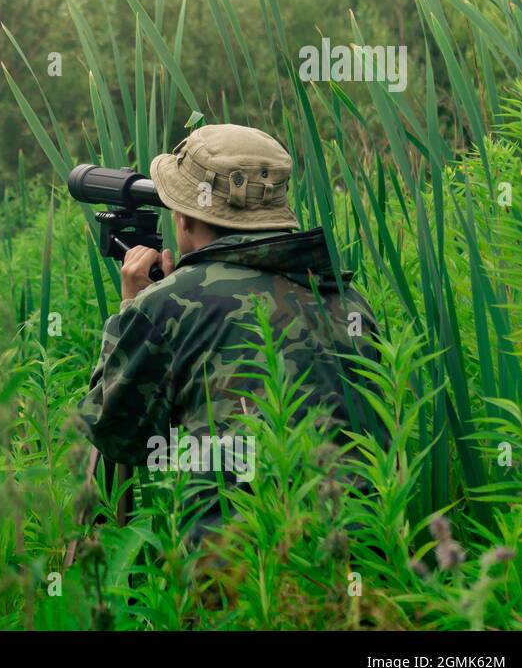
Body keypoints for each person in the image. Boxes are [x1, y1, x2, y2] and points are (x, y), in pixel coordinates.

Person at [76, 124, 382, 541]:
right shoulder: (346, 298)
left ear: (182, 217)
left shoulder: (172, 304)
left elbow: (114, 433)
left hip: (236, 573)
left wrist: (133, 308)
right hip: (355, 559)